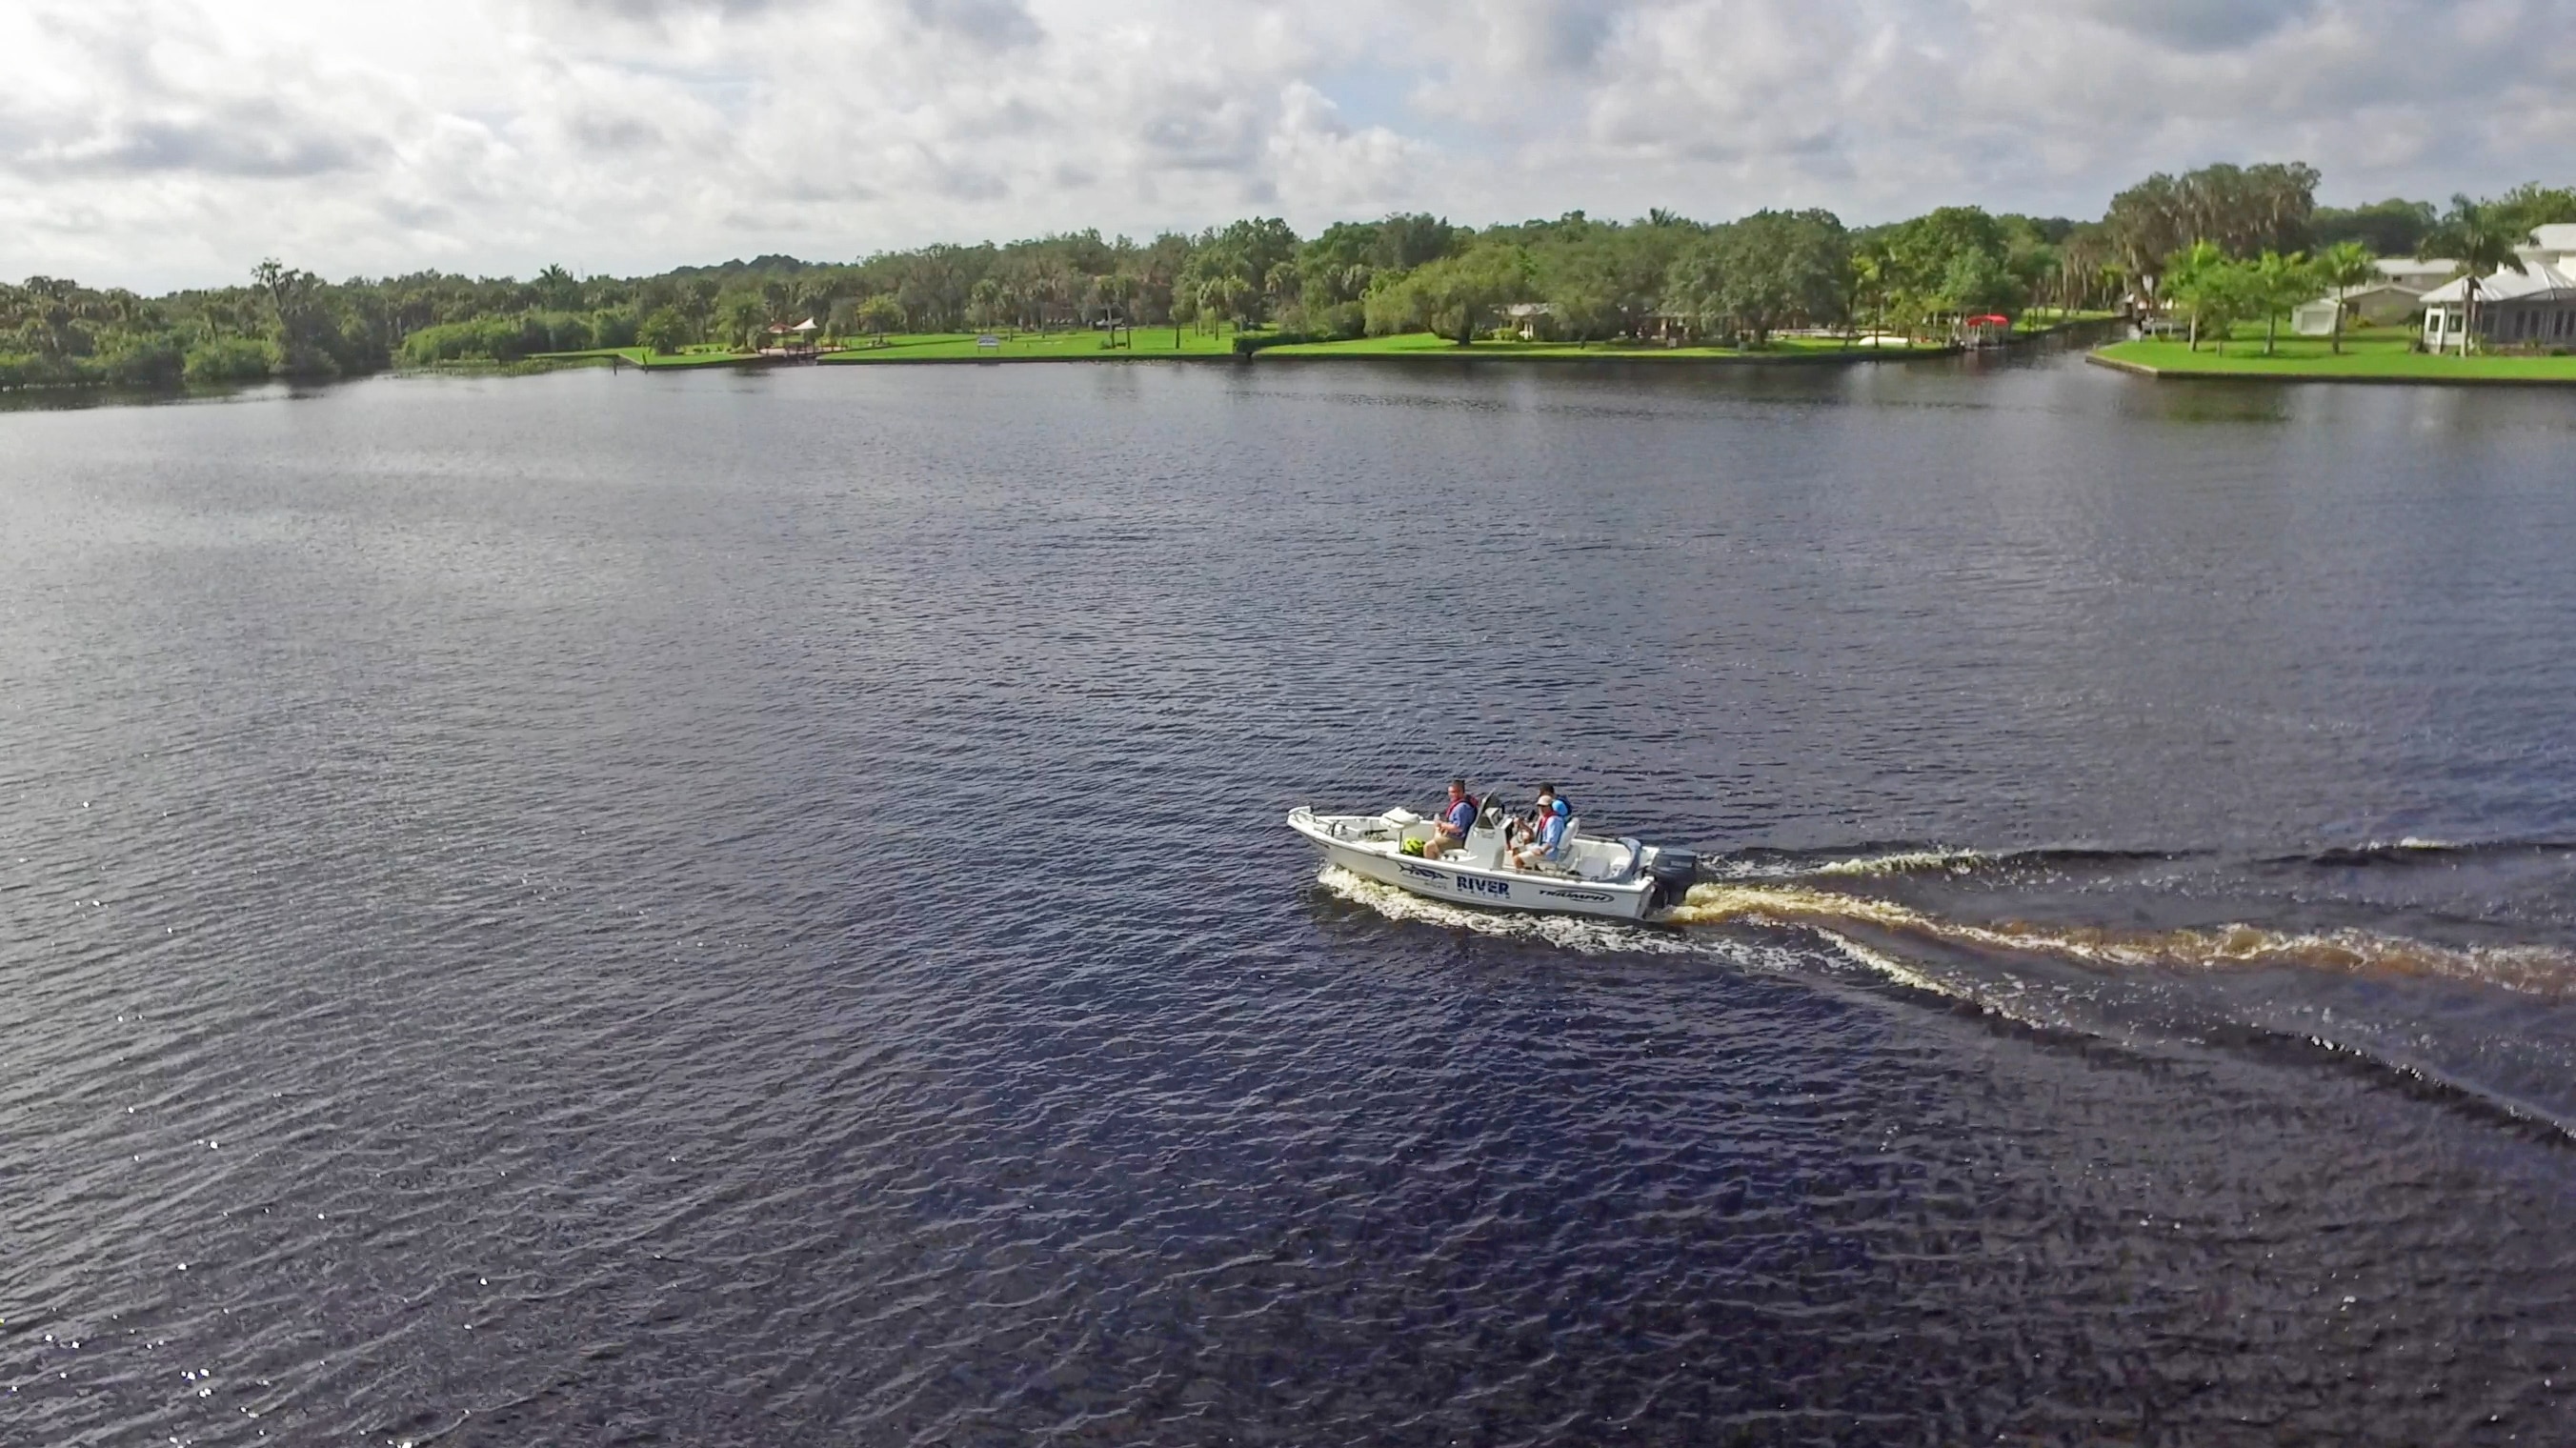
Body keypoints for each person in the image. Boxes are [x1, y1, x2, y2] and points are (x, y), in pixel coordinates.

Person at [1507, 797, 1574, 872]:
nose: (1541, 808)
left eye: (1544, 806)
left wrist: (1542, 850)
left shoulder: (1553, 820)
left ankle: (1525, 878)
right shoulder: (1545, 817)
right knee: (1515, 850)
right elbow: (1534, 833)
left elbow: (1552, 842)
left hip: (1550, 852)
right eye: (1539, 806)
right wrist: (1521, 824)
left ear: (1551, 806)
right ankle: (1535, 871)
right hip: (1540, 845)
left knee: (1517, 859)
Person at [1422, 778, 1479, 859]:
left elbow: (1458, 828)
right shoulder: (1465, 801)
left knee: (1428, 847)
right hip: (1458, 835)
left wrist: (1443, 824)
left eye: (1454, 792)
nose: (1451, 795)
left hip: (1458, 840)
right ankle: (1437, 853)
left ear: (1461, 792)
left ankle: (1431, 867)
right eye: (1450, 792)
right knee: (1437, 830)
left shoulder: (1461, 808)